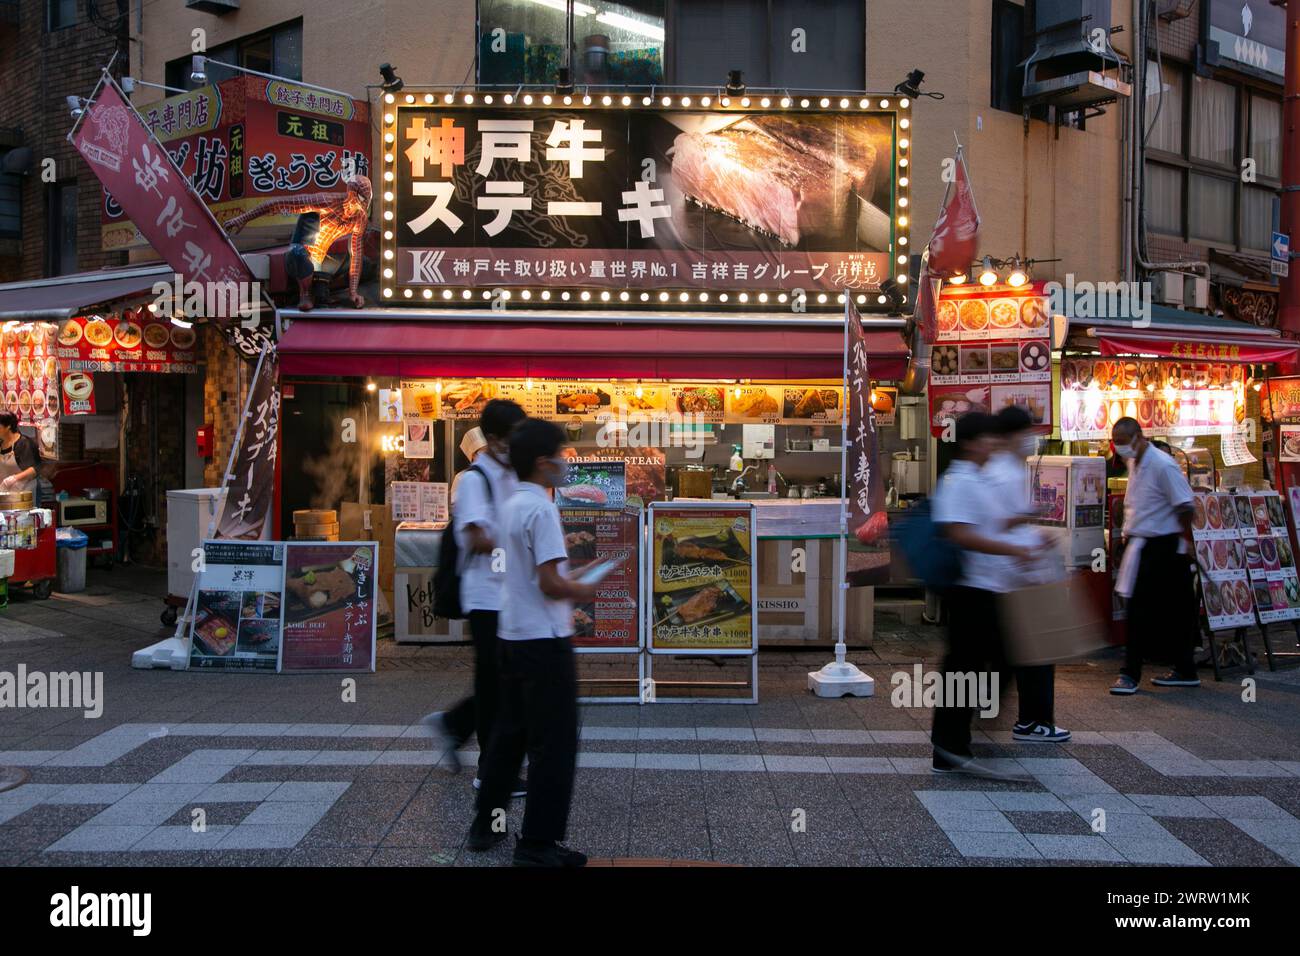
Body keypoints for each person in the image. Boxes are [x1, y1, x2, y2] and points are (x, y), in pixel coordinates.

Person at [467, 418, 597, 866]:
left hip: (511, 635)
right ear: (543, 463)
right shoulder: (542, 509)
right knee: (554, 745)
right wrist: (582, 589)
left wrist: (570, 577)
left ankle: (486, 822)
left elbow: (524, 572)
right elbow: (549, 584)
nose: (566, 462)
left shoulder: (508, 504)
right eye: (562, 455)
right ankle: (538, 844)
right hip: (545, 642)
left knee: (508, 738)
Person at [931, 413, 1046, 778]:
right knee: (964, 665)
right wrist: (1012, 550)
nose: (993, 444)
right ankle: (948, 746)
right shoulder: (960, 480)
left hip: (992, 586)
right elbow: (959, 533)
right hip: (969, 588)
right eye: (986, 439)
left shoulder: (981, 478)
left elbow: (990, 523)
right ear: (969, 443)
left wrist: (1023, 526)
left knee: (996, 658)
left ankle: (957, 736)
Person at [422, 401, 527, 795]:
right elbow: (479, 539)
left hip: (512, 596)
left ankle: (454, 726)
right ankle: (488, 771)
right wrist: (521, 535)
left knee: (502, 681)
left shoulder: (513, 475)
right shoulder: (473, 480)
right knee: (496, 682)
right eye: (515, 433)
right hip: (485, 598)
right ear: (496, 438)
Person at [988, 406, 1070, 743]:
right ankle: (1034, 721)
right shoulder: (1006, 473)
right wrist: (1030, 539)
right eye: (1027, 434)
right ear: (1013, 436)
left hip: (1007, 573)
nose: (1032, 441)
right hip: (1017, 573)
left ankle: (987, 707)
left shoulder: (1000, 469)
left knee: (1011, 651)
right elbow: (998, 524)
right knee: (1036, 651)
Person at [1109, 417, 1201, 694]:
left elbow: (1185, 505)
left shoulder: (1162, 464)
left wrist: (1184, 541)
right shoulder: (1134, 462)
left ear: (1139, 436)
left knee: (1141, 610)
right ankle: (1185, 668)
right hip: (1142, 544)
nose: (1121, 449)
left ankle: (1131, 673)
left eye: (1124, 443)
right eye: (1118, 445)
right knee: (1171, 610)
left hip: (1163, 546)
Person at [0, 412, 40, 504]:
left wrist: (14, 478)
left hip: (23, 494)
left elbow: (35, 469)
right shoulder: (1, 443)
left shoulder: (23, 443)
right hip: (4, 494)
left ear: (8, 426)